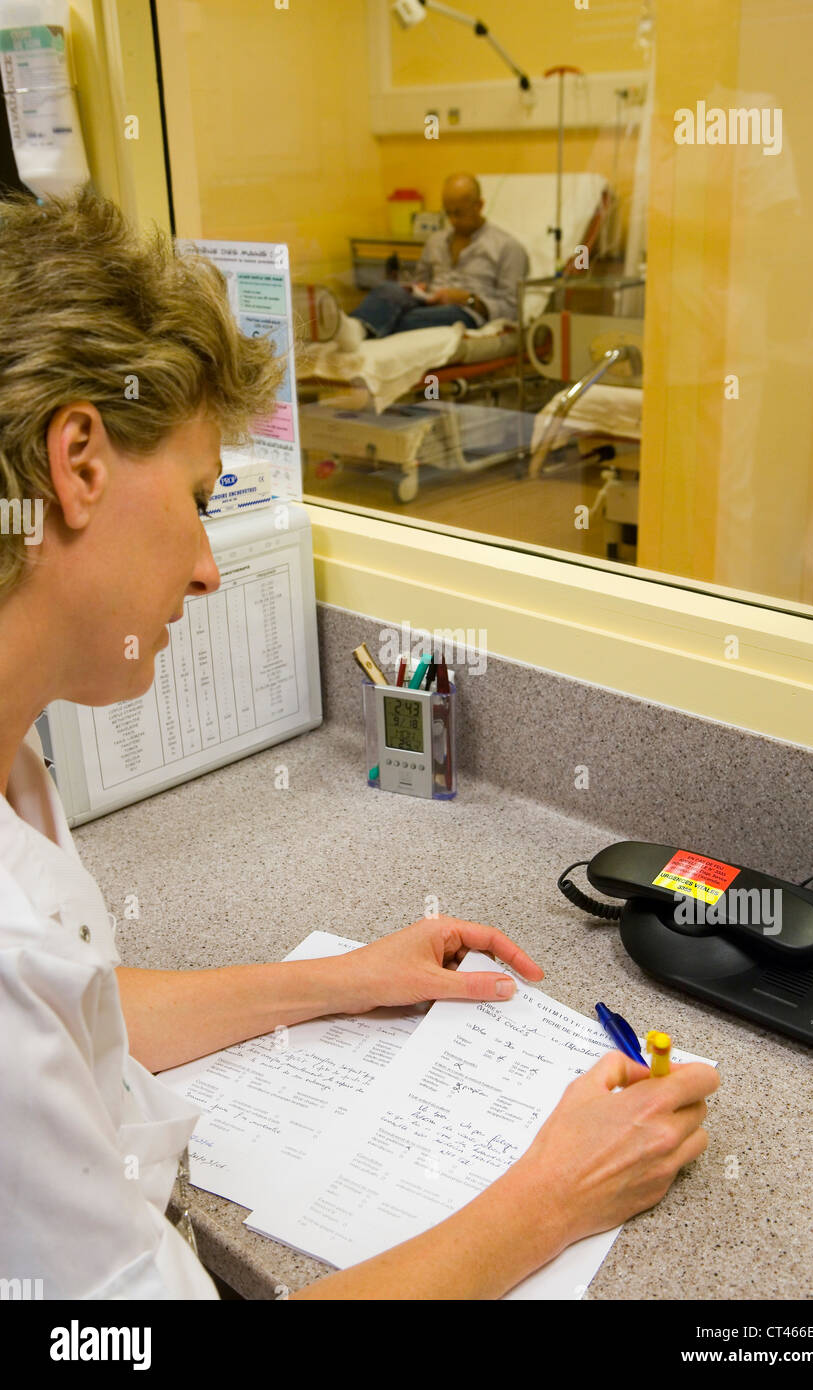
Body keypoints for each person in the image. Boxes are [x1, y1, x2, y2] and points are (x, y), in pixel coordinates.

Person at [0, 186, 719, 1300]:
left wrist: (337, 981)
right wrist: (552, 1196)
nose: (204, 563)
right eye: (197, 497)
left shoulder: (18, 764)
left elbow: (81, 1004)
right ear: (79, 462)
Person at [335, 172, 530, 349]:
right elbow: (421, 281)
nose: (452, 220)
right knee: (388, 289)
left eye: (459, 213)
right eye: (448, 213)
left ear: (479, 205)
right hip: (428, 302)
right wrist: (416, 288)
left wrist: (466, 299)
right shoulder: (436, 241)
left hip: (465, 312)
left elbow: (511, 309)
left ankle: (359, 329)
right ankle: (354, 328)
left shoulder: (507, 248)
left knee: (410, 320)